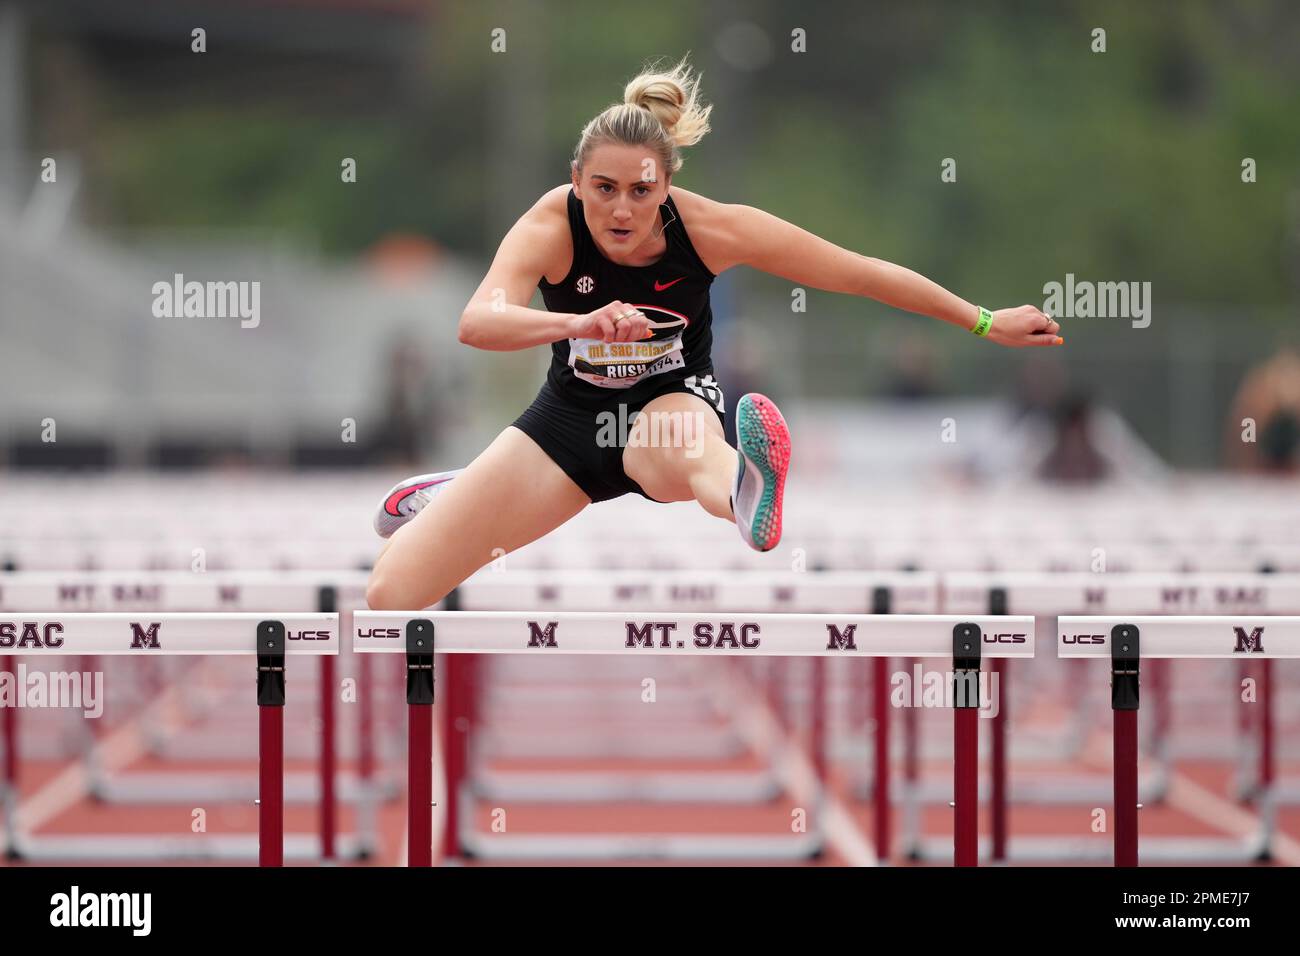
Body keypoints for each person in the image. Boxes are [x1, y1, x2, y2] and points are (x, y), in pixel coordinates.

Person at [366, 56, 1063, 611]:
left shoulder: (713, 230)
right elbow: (478, 322)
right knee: (391, 592)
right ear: (576, 180)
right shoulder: (552, 223)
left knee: (691, 452)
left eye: (641, 192)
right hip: (566, 425)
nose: (621, 208)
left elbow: (858, 274)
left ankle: (746, 486)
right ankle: (464, 487)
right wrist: (579, 320)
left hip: (668, 405)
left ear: (666, 185)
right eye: (603, 188)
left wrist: (982, 320)